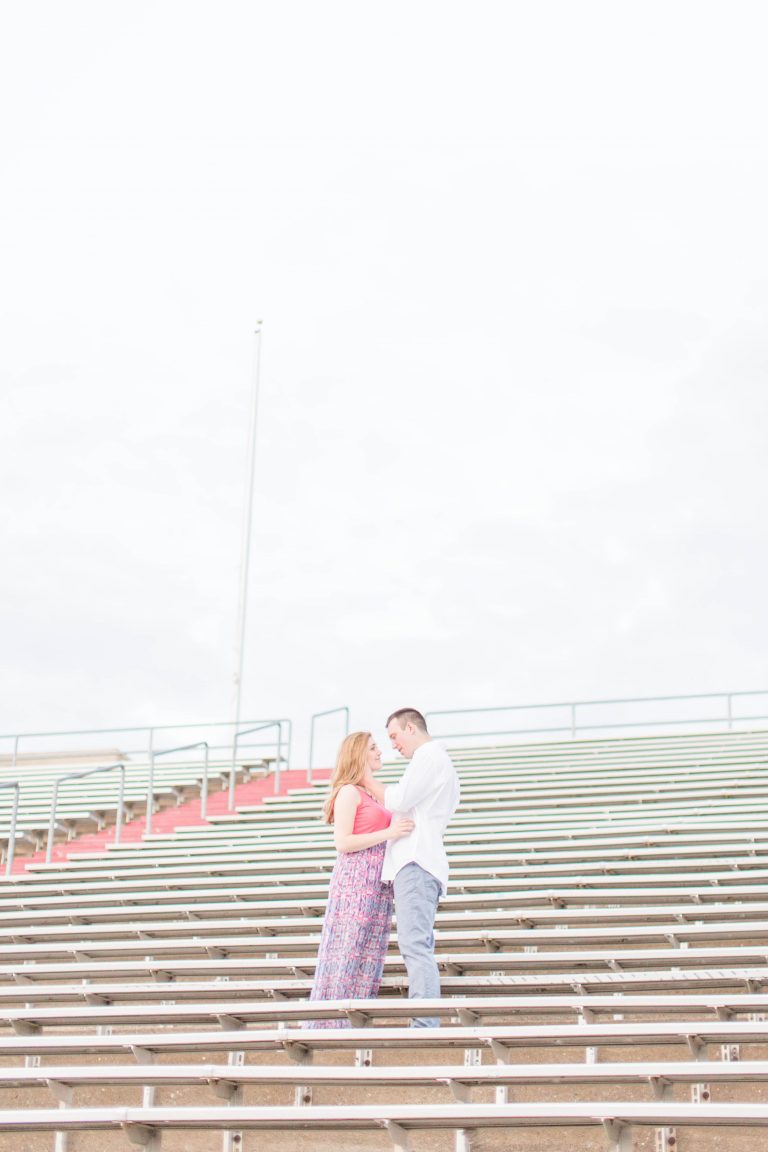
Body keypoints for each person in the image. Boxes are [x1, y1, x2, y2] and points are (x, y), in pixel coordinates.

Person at [307, 730, 414, 1027]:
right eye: (373, 748)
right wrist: (389, 833)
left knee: (369, 949)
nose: (379, 751)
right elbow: (342, 842)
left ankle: (353, 1018)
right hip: (356, 878)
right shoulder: (349, 792)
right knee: (347, 947)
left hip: (378, 880)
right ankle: (329, 1020)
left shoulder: (368, 791)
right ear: (358, 754)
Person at [369, 707, 460, 1027]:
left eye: (394, 736)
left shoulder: (428, 757)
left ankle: (424, 1023)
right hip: (421, 862)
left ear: (410, 728)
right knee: (416, 942)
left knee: (414, 944)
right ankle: (425, 1020)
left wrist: (366, 779)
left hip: (417, 862)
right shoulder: (437, 761)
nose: (393, 744)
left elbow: (399, 798)